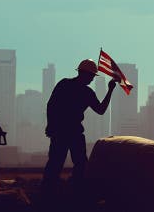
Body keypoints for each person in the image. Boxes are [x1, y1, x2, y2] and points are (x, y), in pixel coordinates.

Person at [42, 59, 117, 193]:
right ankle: (61, 190)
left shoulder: (68, 85)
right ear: (84, 74)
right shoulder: (82, 91)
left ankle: (54, 191)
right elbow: (101, 109)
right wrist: (110, 90)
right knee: (67, 163)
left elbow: (51, 106)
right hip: (67, 132)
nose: (92, 79)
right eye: (92, 76)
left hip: (66, 132)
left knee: (64, 163)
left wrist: (50, 125)